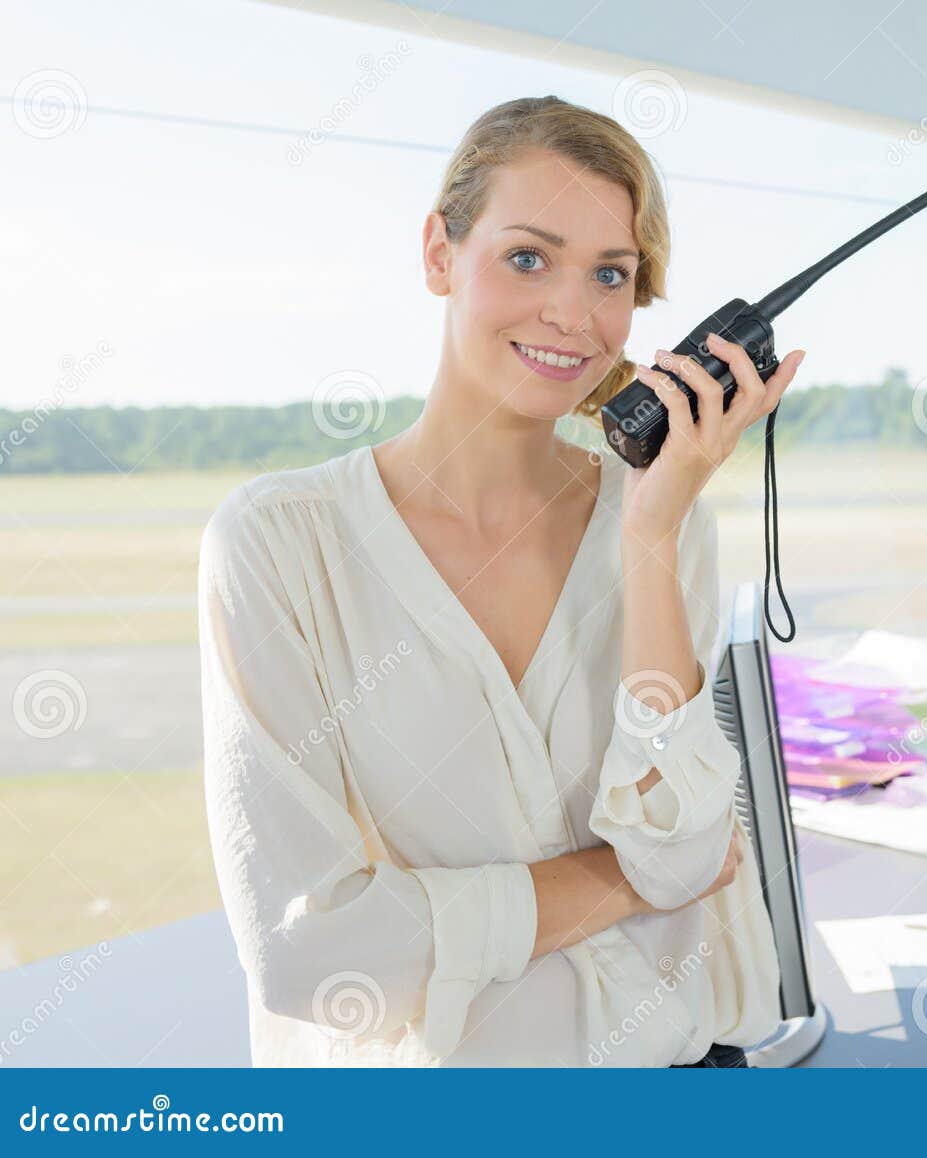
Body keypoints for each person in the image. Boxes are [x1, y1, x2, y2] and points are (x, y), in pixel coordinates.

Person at [200, 95, 804, 1066]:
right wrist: (626, 880)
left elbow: (690, 850)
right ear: (440, 253)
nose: (572, 313)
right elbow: (309, 955)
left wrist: (650, 534)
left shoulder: (663, 519)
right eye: (528, 257)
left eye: (609, 274)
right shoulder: (278, 544)